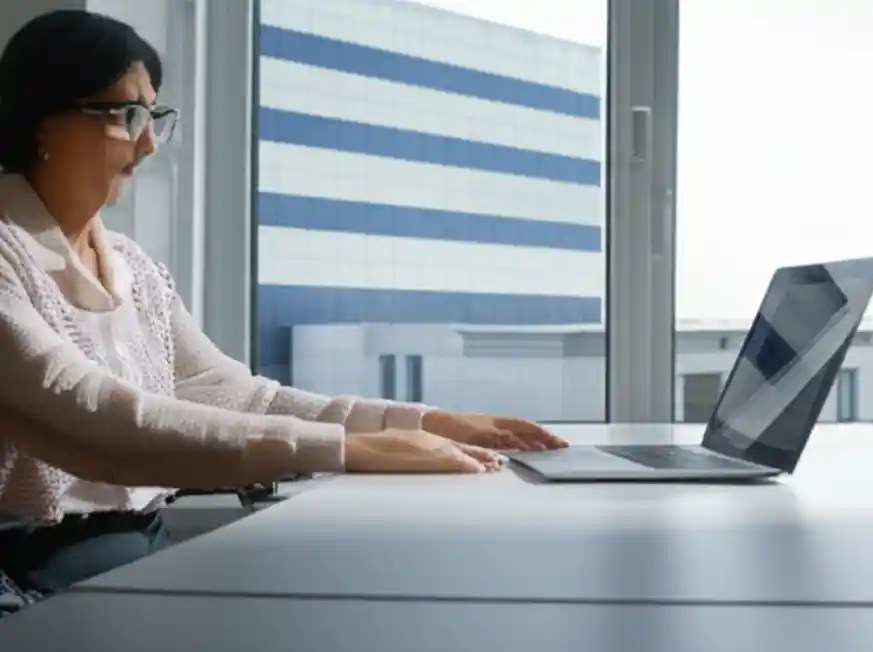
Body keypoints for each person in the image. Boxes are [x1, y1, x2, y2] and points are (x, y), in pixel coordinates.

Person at [0, 10, 566, 602]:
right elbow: (105, 426)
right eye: (125, 115)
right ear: (43, 120)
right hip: (27, 576)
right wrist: (353, 451)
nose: (147, 143)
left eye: (153, 116)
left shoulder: (133, 268)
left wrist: (425, 422)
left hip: (138, 545)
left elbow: (242, 396)